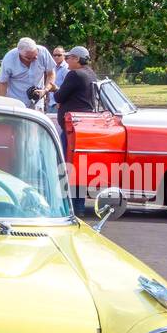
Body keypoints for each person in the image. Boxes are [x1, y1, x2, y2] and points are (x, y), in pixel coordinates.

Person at [53, 45, 98, 215]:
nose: (67, 60)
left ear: (77, 59)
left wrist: (55, 90)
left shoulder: (75, 74)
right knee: (78, 166)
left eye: (70, 57)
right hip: (82, 126)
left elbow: (59, 96)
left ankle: (70, 207)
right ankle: (77, 205)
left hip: (73, 129)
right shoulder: (90, 73)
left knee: (68, 165)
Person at [0, 37, 55, 109]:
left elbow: (51, 74)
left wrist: (45, 90)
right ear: (20, 54)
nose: (36, 58)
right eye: (29, 58)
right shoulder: (9, 59)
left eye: (36, 55)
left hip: (37, 102)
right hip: (15, 103)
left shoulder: (43, 52)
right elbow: (3, 83)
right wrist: (2, 105)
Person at [48, 46, 68, 113]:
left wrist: (60, 101)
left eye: (59, 55)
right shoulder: (52, 67)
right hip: (51, 103)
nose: (56, 57)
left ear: (64, 56)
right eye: (54, 55)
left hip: (59, 104)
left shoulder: (66, 68)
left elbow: (67, 88)